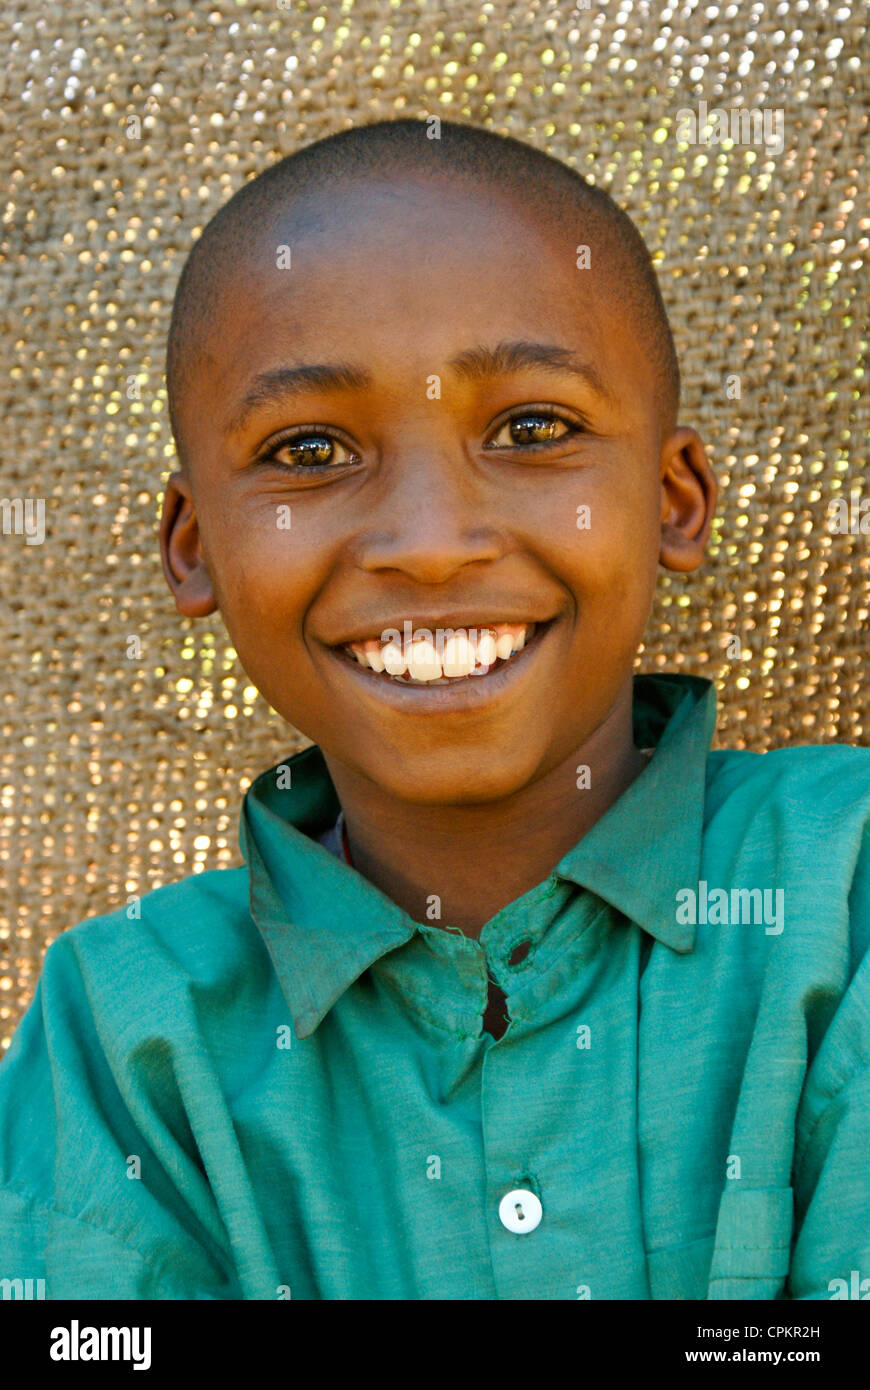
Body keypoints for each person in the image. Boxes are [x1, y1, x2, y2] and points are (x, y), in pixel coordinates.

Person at [1, 118, 867, 1300]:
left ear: (675, 502)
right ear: (192, 548)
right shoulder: (128, 1031)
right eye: (310, 449)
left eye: (532, 429)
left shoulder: (844, 897)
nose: (428, 544)